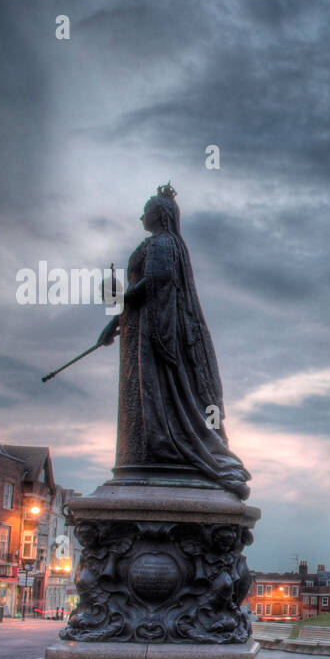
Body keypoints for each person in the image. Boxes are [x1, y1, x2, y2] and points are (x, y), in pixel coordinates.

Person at [96, 185, 251, 499]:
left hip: (156, 333)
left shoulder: (163, 244)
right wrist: (115, 321)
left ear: (160, 215)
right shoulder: (168, 244)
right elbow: (147, 287)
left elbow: (157, 281)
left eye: (147, 211)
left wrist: (117, 300)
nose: (142, 216)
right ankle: (157, 449)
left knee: (161, 392)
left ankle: (166, 445)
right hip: (144, 330)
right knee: (149, 395)